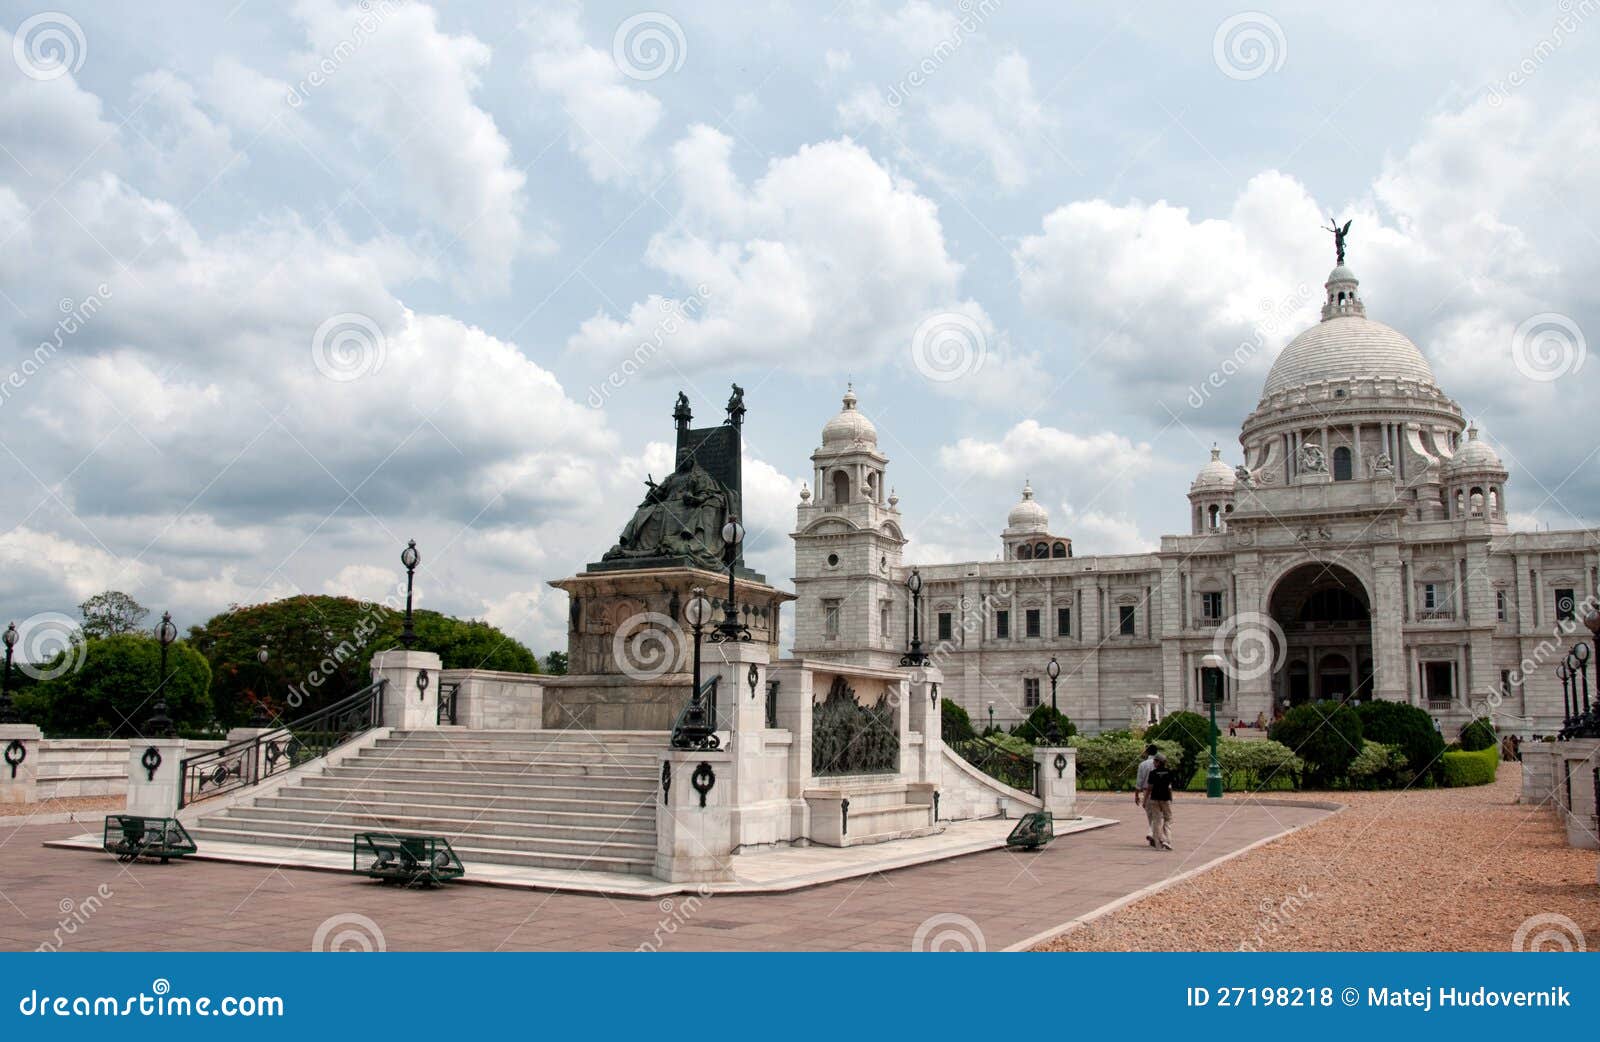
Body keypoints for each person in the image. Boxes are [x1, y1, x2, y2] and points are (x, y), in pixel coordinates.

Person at [1145, 753, 1177, 851]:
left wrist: (1145, 799)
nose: (1154, 762)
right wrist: (1171, 798)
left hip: (1154, 799)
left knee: (1156, 821)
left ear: (1158, 762)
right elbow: (1169, 787)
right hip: (1165, 798)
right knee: (1168, 819)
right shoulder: (1169, 772)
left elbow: (1149, 788)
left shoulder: (1153, 773)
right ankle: (1167, 840)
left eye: (1155, 761)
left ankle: (1159, 844)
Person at [1133, 743, 1159, 847]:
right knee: (1158, 814)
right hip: (1159, 790)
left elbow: (1139, 781)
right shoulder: (1159, 763)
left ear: (1147, 752)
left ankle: (1153, 833)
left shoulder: (1143, 764)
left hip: (1145, 791)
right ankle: (1152, 833)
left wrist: (1136, 795)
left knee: (1150, 814)